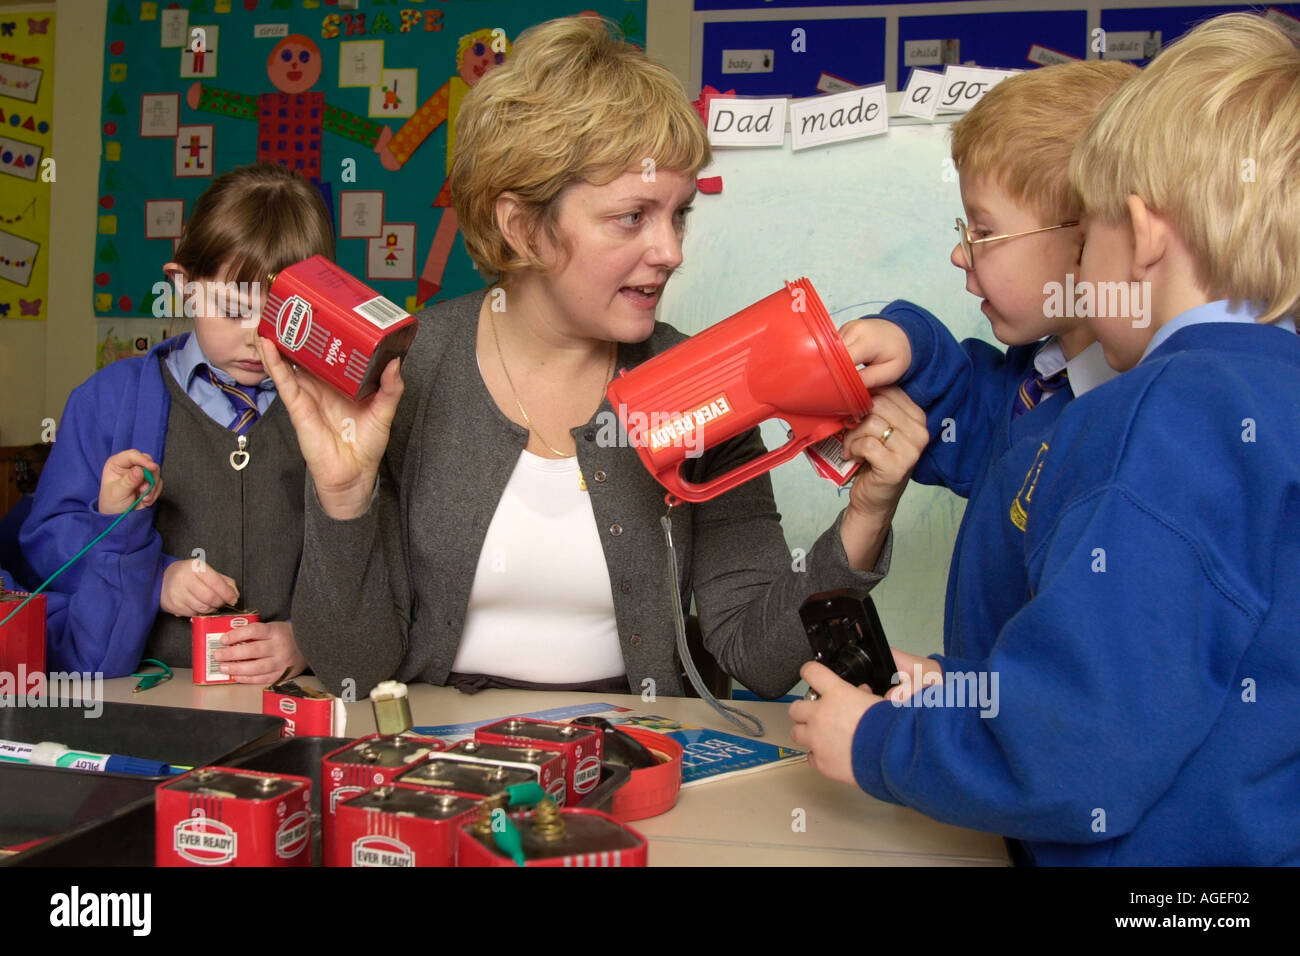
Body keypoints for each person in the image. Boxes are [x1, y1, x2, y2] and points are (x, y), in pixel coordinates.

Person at [263, 16, 927, 700]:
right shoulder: (409, 374)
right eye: (632, 216)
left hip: (642, 760)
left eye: (679, 215)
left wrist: (866, 518)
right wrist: (344, 501)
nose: (670, 251)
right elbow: (351, 673)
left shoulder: (704, 380)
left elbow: (757, 657)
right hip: (443, 767)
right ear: (520, 226)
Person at [792, 12, 1300, 865]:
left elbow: (1082, 751)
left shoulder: (1157, 415)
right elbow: (1169, 683)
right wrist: (965, 692)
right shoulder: (1265, 395)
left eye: (1091, 223)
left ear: (1139, 234)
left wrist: (879, 744)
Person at [838, 59, 1136, 663]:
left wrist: (956, 697)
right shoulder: (1034, 382)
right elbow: (968, 402)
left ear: (1086, 242)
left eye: (983, 230)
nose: (959, 251)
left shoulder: (1129, 432)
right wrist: (910, 345)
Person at [20, 162, 334, 681]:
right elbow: (48, 539)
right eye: (233, 309)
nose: (257, 337)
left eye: (283, 314)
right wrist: (155, 578)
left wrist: (309, 638)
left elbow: (363, 556)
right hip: (144, 686)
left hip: (288, 692)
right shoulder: (106, 400)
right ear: (185, 285)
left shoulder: (333, 415)